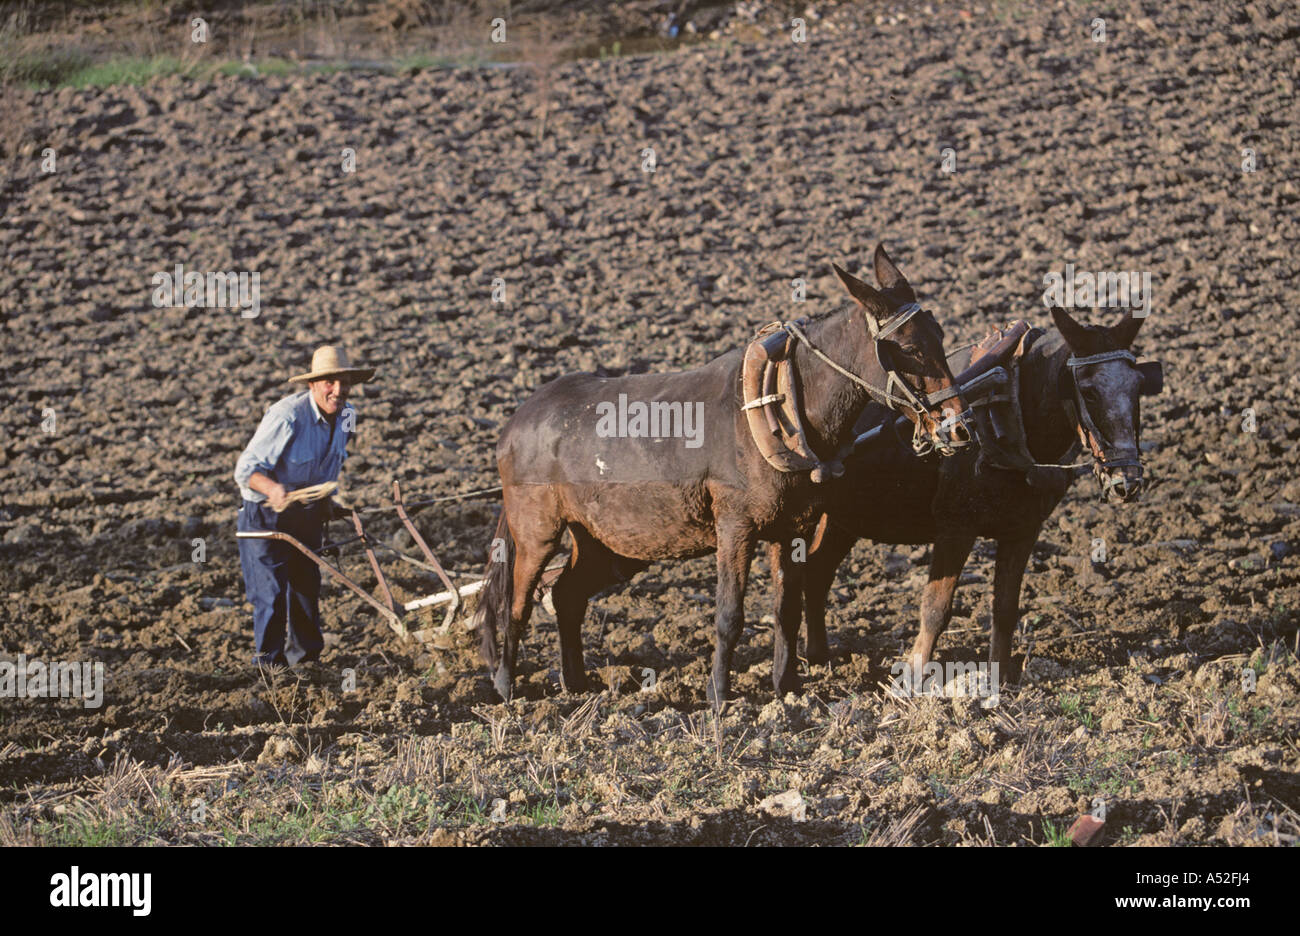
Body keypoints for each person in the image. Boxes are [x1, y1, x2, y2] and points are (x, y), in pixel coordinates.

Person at [234, 345, 375, 668]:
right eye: (329, 382)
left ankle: (306, 663)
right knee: (269, 596)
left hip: (308, 514)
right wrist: (273, 488)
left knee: (305, 590)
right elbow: (245, 469)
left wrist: (328, 501)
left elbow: (333, 459)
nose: (337, 390)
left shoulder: (349, 415)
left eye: (343, 382)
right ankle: (269, 671)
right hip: (265, 515)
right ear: (312, 384)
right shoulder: (287, 416)